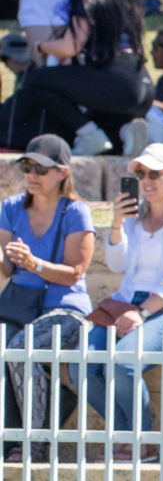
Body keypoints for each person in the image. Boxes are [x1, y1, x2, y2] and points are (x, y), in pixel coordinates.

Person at [79, 144, 163, 463]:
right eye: (141, 174)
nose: (146, 180)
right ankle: (126, 437)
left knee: (124, 361)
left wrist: (143, 313)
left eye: (155, 173)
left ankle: (142, 441)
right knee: (81, 363)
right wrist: (116, 224)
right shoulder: (134, 219)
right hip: (126, 302)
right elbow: (116, 264)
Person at [2, 0, 151, 157]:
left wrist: (41, 46)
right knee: (91, 101)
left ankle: (88, 134)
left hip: (115, 81)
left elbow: (71, 47)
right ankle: (126, 131)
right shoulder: (124, 1)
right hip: (141, 85)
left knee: (37, 79)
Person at [0, 134, 93, 462]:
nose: (31, 175)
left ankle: (35, 444)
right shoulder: (11, 208)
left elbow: (74, 272)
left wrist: (34, 264)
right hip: (22, 305)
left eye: (40, 168)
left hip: (66, 310)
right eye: (26, 166)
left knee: (20, 350)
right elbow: (7, 269)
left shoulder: (76, 212)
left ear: (62, 173)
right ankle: (54, 402)